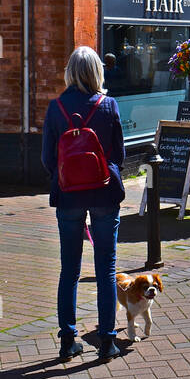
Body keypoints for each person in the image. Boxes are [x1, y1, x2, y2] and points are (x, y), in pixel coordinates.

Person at [42, 46, 126, 362]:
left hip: (69, 196)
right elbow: (119, 155)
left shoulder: (55, 108)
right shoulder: (109, 106)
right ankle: (107, 341)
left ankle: (68, 340)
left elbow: (48, 158)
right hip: (104, 195)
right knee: (106, 267)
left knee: (70, 270)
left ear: (69, 72)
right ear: (97, 72)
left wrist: (67, 177)